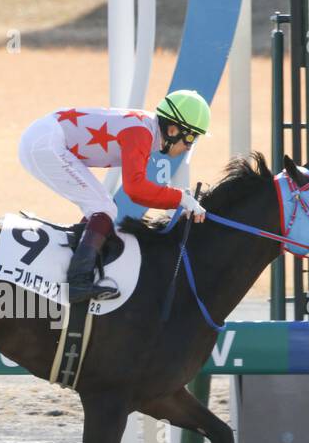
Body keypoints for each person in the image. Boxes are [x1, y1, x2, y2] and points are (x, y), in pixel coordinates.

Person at [18, 89, 210, 303]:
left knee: (102, 207)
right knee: (104, 208)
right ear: (173, 130)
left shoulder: (146, 129)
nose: (188, 148)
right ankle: (77, 281)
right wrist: (180, 199)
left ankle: (78, 262)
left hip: (45, 137)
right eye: (191, 140)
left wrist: (178, 198)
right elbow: (135, 189)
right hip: (45, 144)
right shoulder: (142, 133)